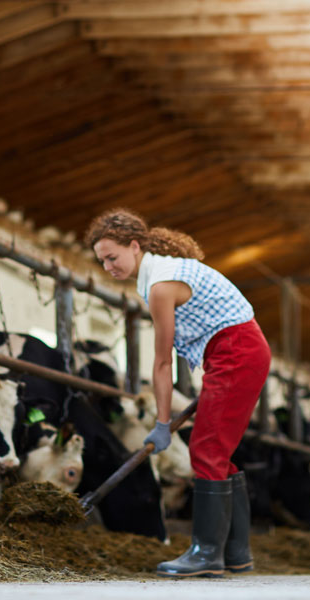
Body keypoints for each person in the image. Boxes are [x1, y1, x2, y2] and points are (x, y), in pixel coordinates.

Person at [86, 208, 271, 579]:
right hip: (236, 350)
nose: (108, 266)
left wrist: (162, 421)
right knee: (217, 450)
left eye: (112, 257)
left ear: (135, 246)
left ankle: (206, 554)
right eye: (102, 261)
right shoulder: (163, 270)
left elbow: (161, 364)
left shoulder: (160, 286)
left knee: (206, 448)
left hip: (235, 351)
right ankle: (235, 552)